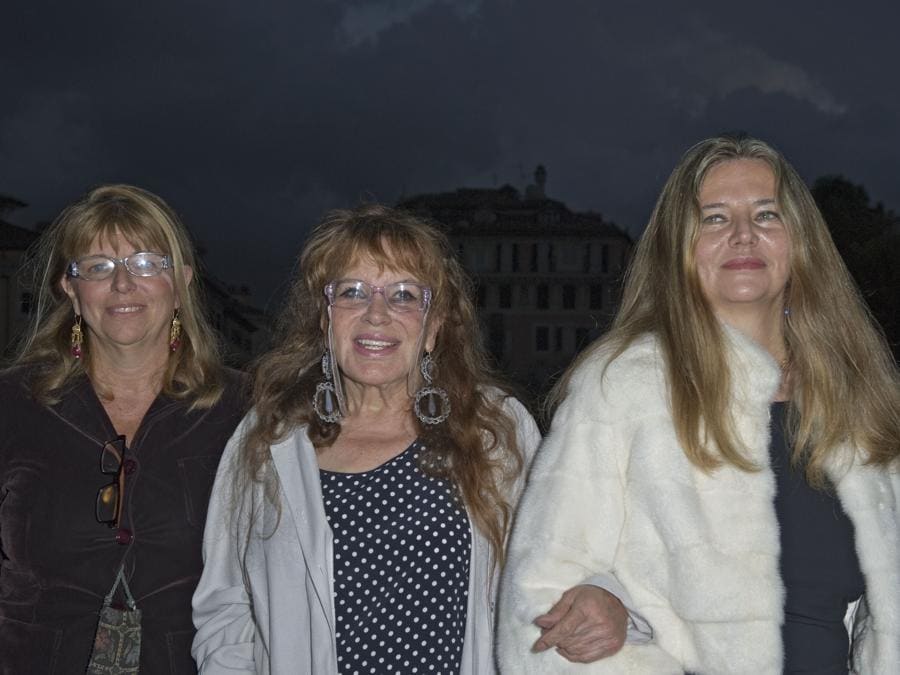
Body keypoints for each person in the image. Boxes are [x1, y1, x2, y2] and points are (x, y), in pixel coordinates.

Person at [498, 136, 900, 673]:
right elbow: (542, 599)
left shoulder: (858, 395)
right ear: (680, 248)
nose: (742, 234)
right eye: (713, 218)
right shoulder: (623, 388)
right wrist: (610, 610)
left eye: (766, 214)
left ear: (800, 243)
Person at [192, 204, 540, 674]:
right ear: (325, 318)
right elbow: (226, 603)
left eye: (403, 295)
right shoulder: (267, 439)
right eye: (353, 293)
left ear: (433, 326)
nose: (377, 314)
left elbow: (551, 577)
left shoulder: (497, 430)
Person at [0, 185, 247, 673]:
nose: (122, 285)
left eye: (146, 264)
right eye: (97, 267)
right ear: (70, 290)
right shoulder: (11, 403)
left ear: (181, 283)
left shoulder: (244, 409)